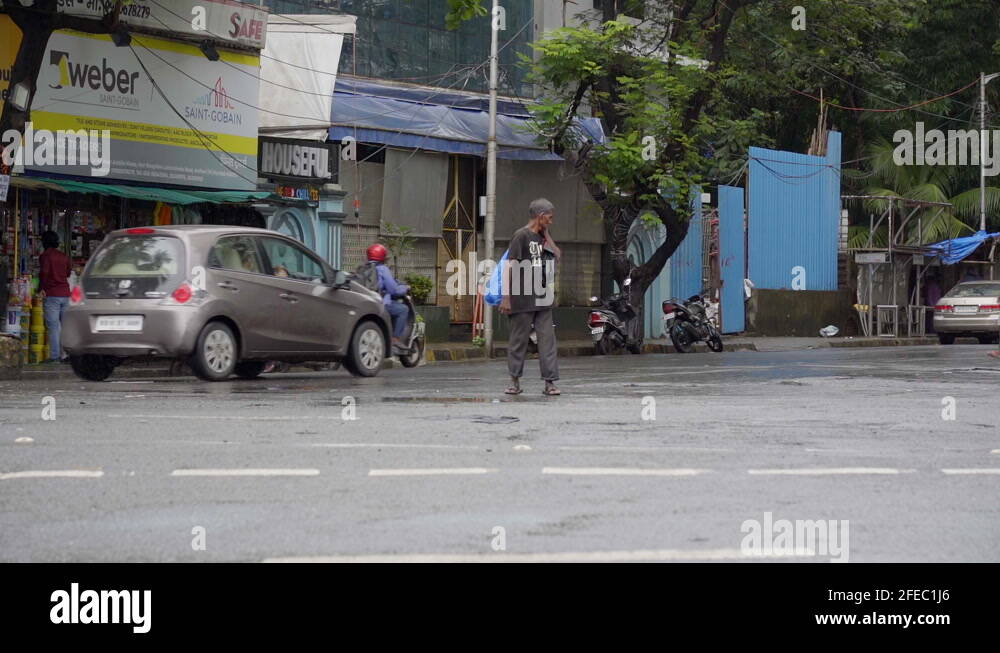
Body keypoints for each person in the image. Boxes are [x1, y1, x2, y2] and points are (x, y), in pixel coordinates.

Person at [500, 198, 560, 396]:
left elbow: (557, 255)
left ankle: (550, 383)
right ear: (541, 216)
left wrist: (547, 236)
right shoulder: (521, 236)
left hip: (542, 297)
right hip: (522, 298)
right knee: (519, 341)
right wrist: (506, 297)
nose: (551, 221)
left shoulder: (543, 237)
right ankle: (514, 381)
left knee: (547, 342)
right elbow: (510, 266)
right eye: (549, 218)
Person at [366, 243, 409, 349]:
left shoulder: (364, 268)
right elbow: (393, 290)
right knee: (403, 309)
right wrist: (406, 288)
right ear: (382, 256)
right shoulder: (382, 269)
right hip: (381, 304)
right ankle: (395, 339)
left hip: (366, 302)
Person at [39, 230, 72, 363]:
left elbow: (44, 273)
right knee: (66, 327)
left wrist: (40, 288)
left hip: (52, 295)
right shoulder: (64, 256)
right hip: (65, 293)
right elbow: (68, 273)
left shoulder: (45, 256)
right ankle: (68, 356)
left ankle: (55, 356)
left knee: (53, 327)